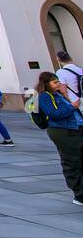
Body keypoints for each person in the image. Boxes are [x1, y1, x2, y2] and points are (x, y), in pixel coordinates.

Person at [35, 71, 83, 204]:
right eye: (55, 82)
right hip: (62, 130)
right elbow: (55, 114)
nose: (58, 84)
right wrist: (73, 106)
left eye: (58, 82)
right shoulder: (44, 96)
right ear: (46, 83)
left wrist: (65, 95)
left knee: (79, 159)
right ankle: (79, 194)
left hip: (75, 128)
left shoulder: (57, 94)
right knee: (71, 161)